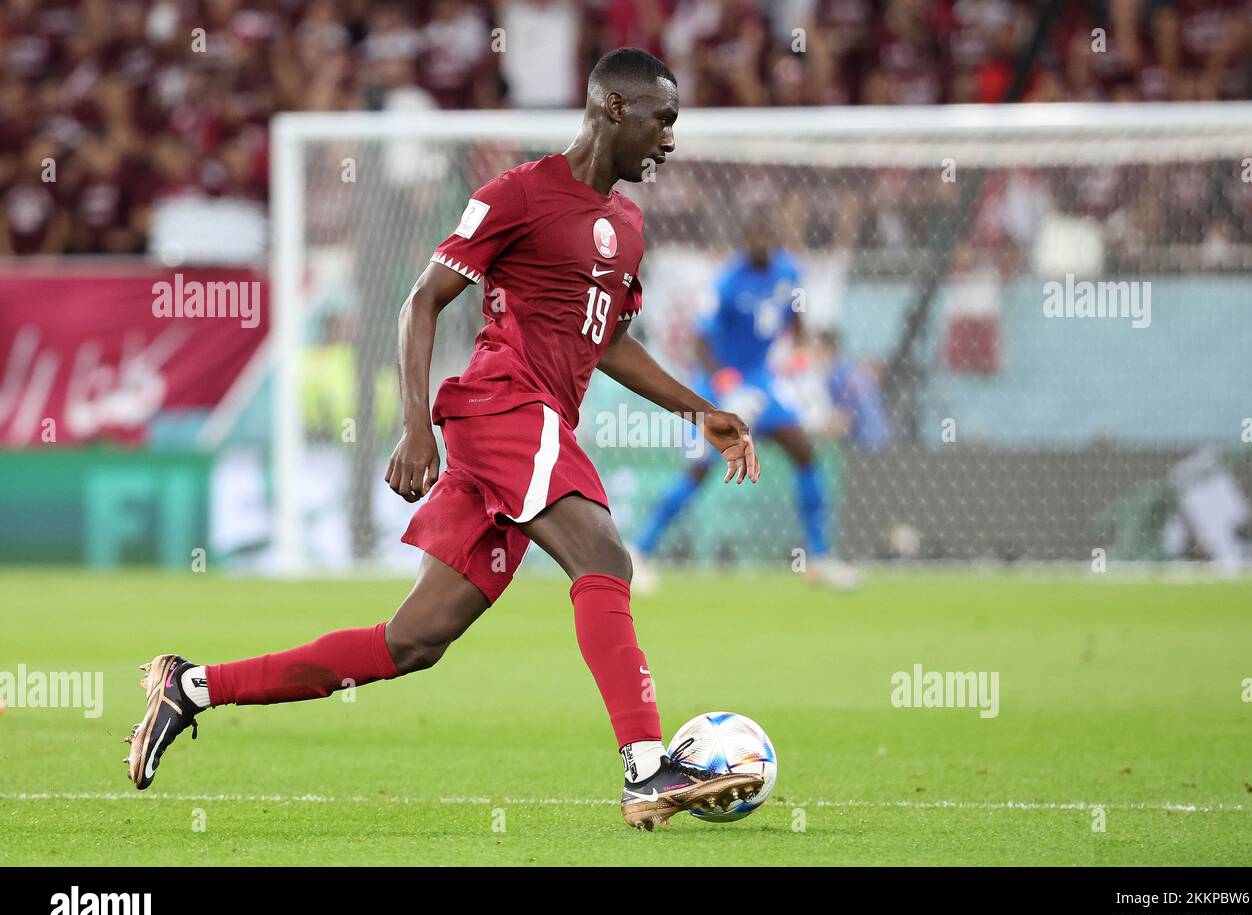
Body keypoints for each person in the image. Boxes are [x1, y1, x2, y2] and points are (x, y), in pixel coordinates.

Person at [123, 48, 765, 831]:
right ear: (615, 109)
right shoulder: (518, 194)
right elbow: (421, 302)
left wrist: (701, 410)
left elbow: (609, 341)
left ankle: (191, 686)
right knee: (604, 557)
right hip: (502, 407)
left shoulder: (627, 226)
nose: (671, 139)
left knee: (413, 641)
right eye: (663, 119)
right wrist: (413, 426)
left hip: (534, 426)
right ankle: (645, 771)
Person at [631, 208, 861, 590]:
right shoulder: (727, 282)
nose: (761, 243)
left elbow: (796, 321)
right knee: (698, 471)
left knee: (803, 451)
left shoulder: (789, 272)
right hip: (717, 382)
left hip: (760, 381)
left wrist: (798, 359)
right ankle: (638, 553)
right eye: (754, 236)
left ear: (774, 237)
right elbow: (700, 342)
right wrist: (724, 382)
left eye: (767, 236)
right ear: (744, 239)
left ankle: (819, 559)